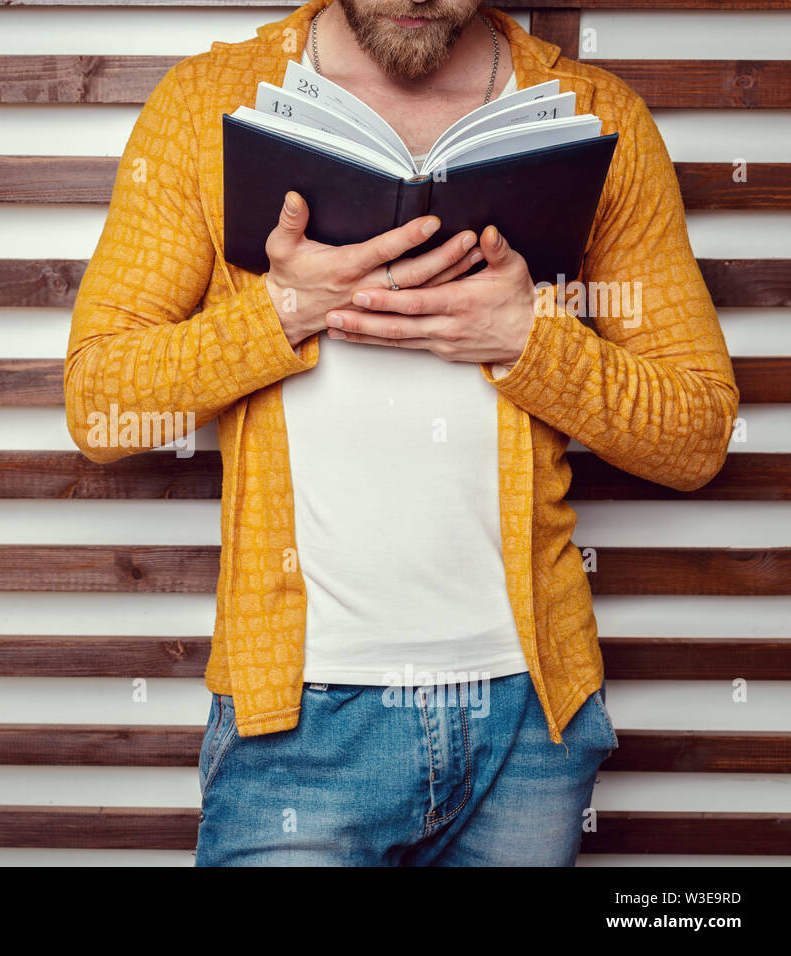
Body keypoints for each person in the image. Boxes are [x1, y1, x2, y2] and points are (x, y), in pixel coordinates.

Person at [63, 0, 739, 865]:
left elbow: (696, 434)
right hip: (296, 727)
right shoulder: (208, 103)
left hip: (531, 719)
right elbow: (99, 403)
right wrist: (286, 310)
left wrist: (530, 341)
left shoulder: (599, 117)